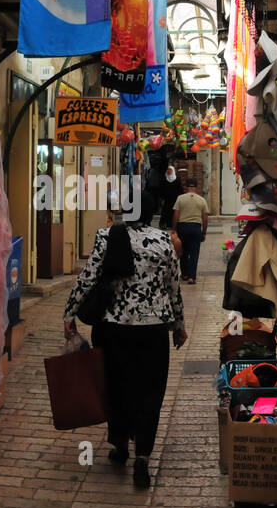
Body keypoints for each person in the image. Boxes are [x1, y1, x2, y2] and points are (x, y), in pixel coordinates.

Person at [63, 189, 187, 489]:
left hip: (114, 328)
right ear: (150, 211)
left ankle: (120, 445)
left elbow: (88, 278)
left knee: (115, 385)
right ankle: (143, 457)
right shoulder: (165, 241)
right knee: (150, 390)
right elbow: (174, 287)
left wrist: (69, 313)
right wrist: (179, 325)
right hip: (153, 330)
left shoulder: (107, 237)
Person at [173, 179, 209, 283]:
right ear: (196, 188)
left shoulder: (180, 198)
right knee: (194, 253)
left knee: (183, 251)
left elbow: (176, 214)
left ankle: (184, 274)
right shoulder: (202, 200)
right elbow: (205, 218)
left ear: (187, 187)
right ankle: (191, 277)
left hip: (182, 227)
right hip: (195, 227)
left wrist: (174, 229)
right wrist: (204, 232)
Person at [159, 163, 183, 227]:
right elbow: (161, 188)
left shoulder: (177, 179)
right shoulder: (165, 179)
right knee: (165, 211)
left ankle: (173, 225)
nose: (169, 171)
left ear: (173, 171)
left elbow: (180, 189)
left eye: (170, 170)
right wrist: (162, 197)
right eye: (168, 170)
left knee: (174, 212)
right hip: (167, 199)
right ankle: (164, 224)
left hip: (175, 199)